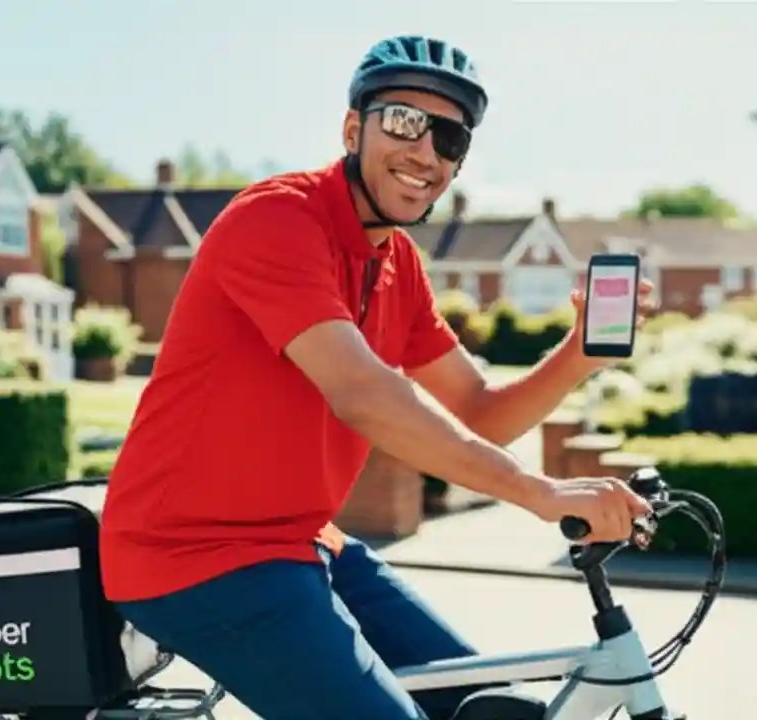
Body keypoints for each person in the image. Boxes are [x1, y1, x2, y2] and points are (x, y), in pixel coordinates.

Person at [99, 34, 655, 720]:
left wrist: (580, 354)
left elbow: (479, 411)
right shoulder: (275, 221)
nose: (426, 151)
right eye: (403, 122)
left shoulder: (400, 266)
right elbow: (365, 394)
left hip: (305, 542)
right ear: (353, 128)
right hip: (193, 557)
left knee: (487, 706)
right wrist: (539, 492)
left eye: (450, 138)